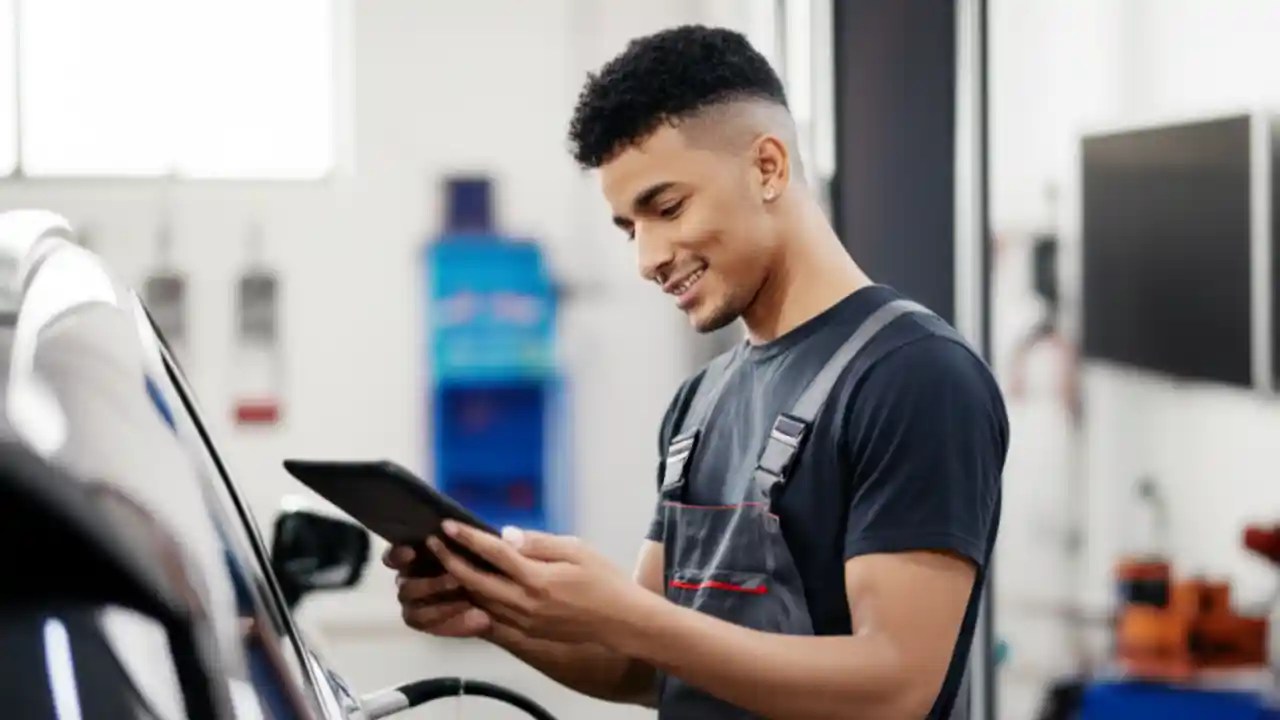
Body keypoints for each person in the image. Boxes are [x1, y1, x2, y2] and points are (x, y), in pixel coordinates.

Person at [385, 25, 1007, 719]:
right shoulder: (700, 405)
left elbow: (896, 685)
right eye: (628, 227)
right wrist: (497, 611)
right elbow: (646, 665)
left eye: (668, 208)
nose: (647, 257)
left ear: (767, 167)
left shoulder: (914, 377)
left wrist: (624, 612)